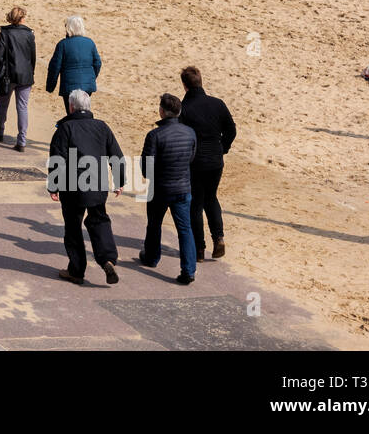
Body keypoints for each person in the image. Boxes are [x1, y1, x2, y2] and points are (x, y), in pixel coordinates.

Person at [47, 90, 125, 285]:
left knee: (73, 227)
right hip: (98, 185)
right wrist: (120, 180)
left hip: (72, 187)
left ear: (71, 107)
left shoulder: (65, 129)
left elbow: (57, 160)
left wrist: (53, 187)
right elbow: (116, 156)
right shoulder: (102, 127)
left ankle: (77, 270)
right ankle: (107, 259)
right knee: (99, 221)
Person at [138, 93, 198, 285]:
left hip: (160, 188)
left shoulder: (155, 135)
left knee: (154, 224)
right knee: (185, 229)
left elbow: (147, 167)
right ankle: (188, 270)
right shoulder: (190, 132)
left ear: (162, 112)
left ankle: (152, 257)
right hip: (183, 187)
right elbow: (191, 157)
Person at [179, 66, 236, 260]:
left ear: (184, 85)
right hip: (215, 161)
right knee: (211, 199)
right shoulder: (217, 104)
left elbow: (181, 138)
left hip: (195, 163)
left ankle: (199, 248)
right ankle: (218, 237)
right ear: (201, 81)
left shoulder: (184, 109)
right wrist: (223, 148)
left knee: (195, 203)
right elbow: (231, 130)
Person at [0, 5, 36, 150]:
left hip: (8, 75)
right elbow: (32, 56)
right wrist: (31, 71)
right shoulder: (29, 34)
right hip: (25, 75)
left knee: (3, 103)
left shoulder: (5, 33)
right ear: (22, 18)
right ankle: (22, 140)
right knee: (22, 107)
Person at [45, 15, 102, 104]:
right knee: (84, 110)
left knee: (71, 114)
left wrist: (50, 86)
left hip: (69, 86)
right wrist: (91, 78)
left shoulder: (62, 44)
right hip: (86, 86)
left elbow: (55, 67)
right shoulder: (90, 43)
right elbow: (97, 63)